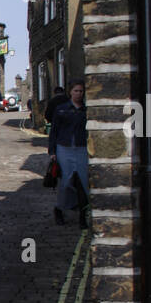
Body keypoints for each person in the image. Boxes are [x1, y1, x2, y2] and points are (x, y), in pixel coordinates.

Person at [48, 80, 88, 227]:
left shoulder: (86, 110)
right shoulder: (61, 109)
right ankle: (59, 209)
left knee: (84, 183)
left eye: (81, 91)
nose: (78, 94)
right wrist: (52, 151)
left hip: (82, 148)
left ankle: (83, 216)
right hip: (64, 148)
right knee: (66, 182)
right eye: (76, 91)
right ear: (70, 92)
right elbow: (54, 131)